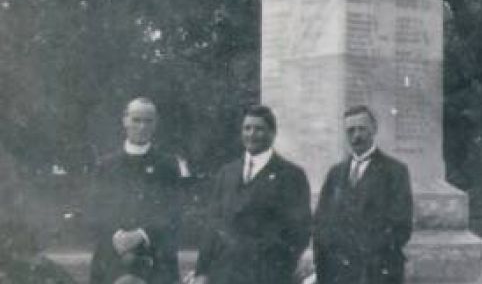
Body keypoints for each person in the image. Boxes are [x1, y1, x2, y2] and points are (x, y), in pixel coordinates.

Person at [191, 105, 311, 284]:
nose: (251, 134)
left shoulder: (291, 176)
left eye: (259, 129)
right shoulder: (227, 173)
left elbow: (299, 231)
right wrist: (202, 272)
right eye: (247, 128)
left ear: (273, 133)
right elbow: (212, 225)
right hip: (224, 274)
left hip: (266, 275)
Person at [313, 105, 414, 284]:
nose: (356, 136)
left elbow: (401, 225)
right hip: (338, 273)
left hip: (376, 271)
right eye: (350, 130)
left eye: (362, 129)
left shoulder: (395, 171)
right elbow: (321, 222)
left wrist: (366, 255)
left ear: (374, 129)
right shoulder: (335, 173)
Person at [88, 98, 181, 284]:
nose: (142, 127)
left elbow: (173, 211)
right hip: (112, 255)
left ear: (156, 123)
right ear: (125, 121)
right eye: (136, 120)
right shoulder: (106, 166)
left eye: (148, 121)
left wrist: (142, 234)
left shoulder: (168, 165)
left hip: (156, 257)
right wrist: (116, 235)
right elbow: (95, 210)